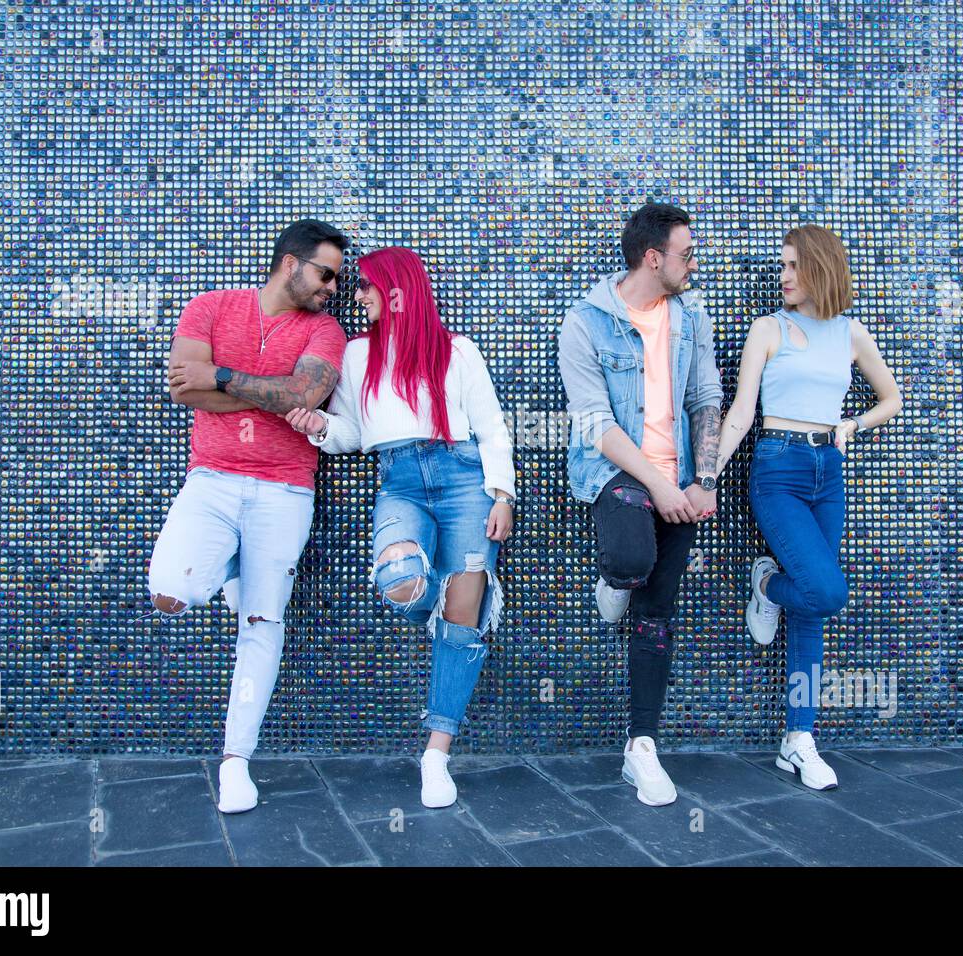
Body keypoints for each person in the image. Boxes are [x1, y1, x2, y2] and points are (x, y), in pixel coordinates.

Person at [286, 246, 516, 809]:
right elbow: (350, 433)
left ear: (397, 290)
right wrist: (318, 425)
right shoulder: (359, 356)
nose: (357, 295)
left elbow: (491, 428)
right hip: (401, 484)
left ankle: (436, 755)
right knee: (401, 581)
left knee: (463, 620)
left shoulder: (457, 351)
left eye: (366, 286)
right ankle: (453, 598)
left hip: (465, 480)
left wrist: (503, 495)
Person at [150, 219, 349, 813]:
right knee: (169, 591)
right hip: (211, 482)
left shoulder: (326, 332)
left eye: (337, 279)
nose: (333, 287)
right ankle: (231, 561)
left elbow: (305, 396)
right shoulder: (209, 308)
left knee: (262, 626)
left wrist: (225, 377)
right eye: (325, 273)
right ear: (290, 263)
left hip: (284, 492)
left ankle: (236, 761)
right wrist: (268, 391)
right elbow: (184, 388)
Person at [713, 224, 902, 790]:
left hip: (828, 471)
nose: (785, 275)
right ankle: (767, 584)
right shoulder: (769, 328)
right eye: (783, 265)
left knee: (813, 610)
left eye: (794, 265)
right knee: (825, 589)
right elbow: (741, 411)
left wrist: (853, 423)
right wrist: (708, 476)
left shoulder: (850, 333)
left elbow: (892, 397)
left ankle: (799, 740)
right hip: (778, 470)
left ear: (821, 267)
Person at [557, 203, 723, 806]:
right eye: (686, 252)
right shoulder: (586, 322)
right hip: (619, 471)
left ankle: (642, 748)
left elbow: (706, 397)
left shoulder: (691, 314)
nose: (693, 262)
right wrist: (659, 483)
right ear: (653, 257)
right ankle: (616, 576)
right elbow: (597, 425)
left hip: (682, 481)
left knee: (657, 611)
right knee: (630, 558)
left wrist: (703, 479)